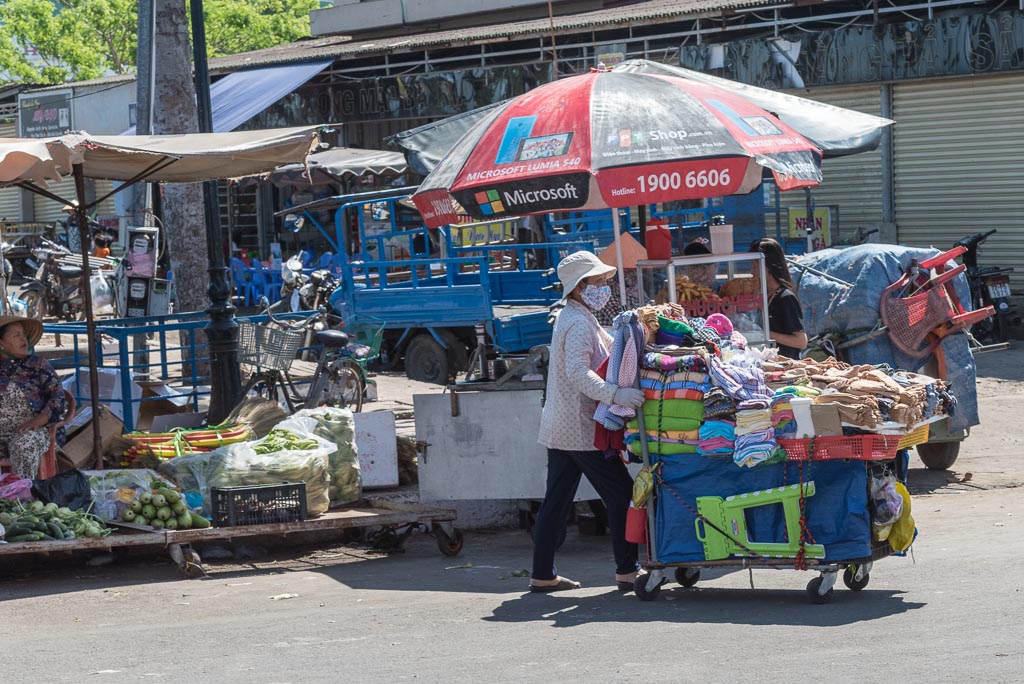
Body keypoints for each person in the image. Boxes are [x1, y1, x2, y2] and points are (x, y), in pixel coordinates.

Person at [531, 251, 643, 592]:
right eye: (599, 282)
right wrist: (615, 395)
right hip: (579, 429)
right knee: (622, 494)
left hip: (561, 426)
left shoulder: (579, 315)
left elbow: (610, 347)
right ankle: (627, 569)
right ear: (580, 287)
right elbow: (578, 373)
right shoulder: (578, 322)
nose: (605, 287)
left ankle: (542, 574)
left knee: (556, 502)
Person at [0, 316, 68, 478]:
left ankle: (21, 496)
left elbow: (58, 399)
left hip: (34, 432)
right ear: (1, 344)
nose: (24, 339)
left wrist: (38, 420)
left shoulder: (38, 365)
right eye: (16, 335)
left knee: (24, 445)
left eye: (23, 334)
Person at [750, 237, 807, 359]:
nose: (752, 271)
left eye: (755, 266)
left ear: (768, 266)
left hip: (786, 368)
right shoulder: (765, 295)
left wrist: (767, 334)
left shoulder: (786, 298)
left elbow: (801, 341)